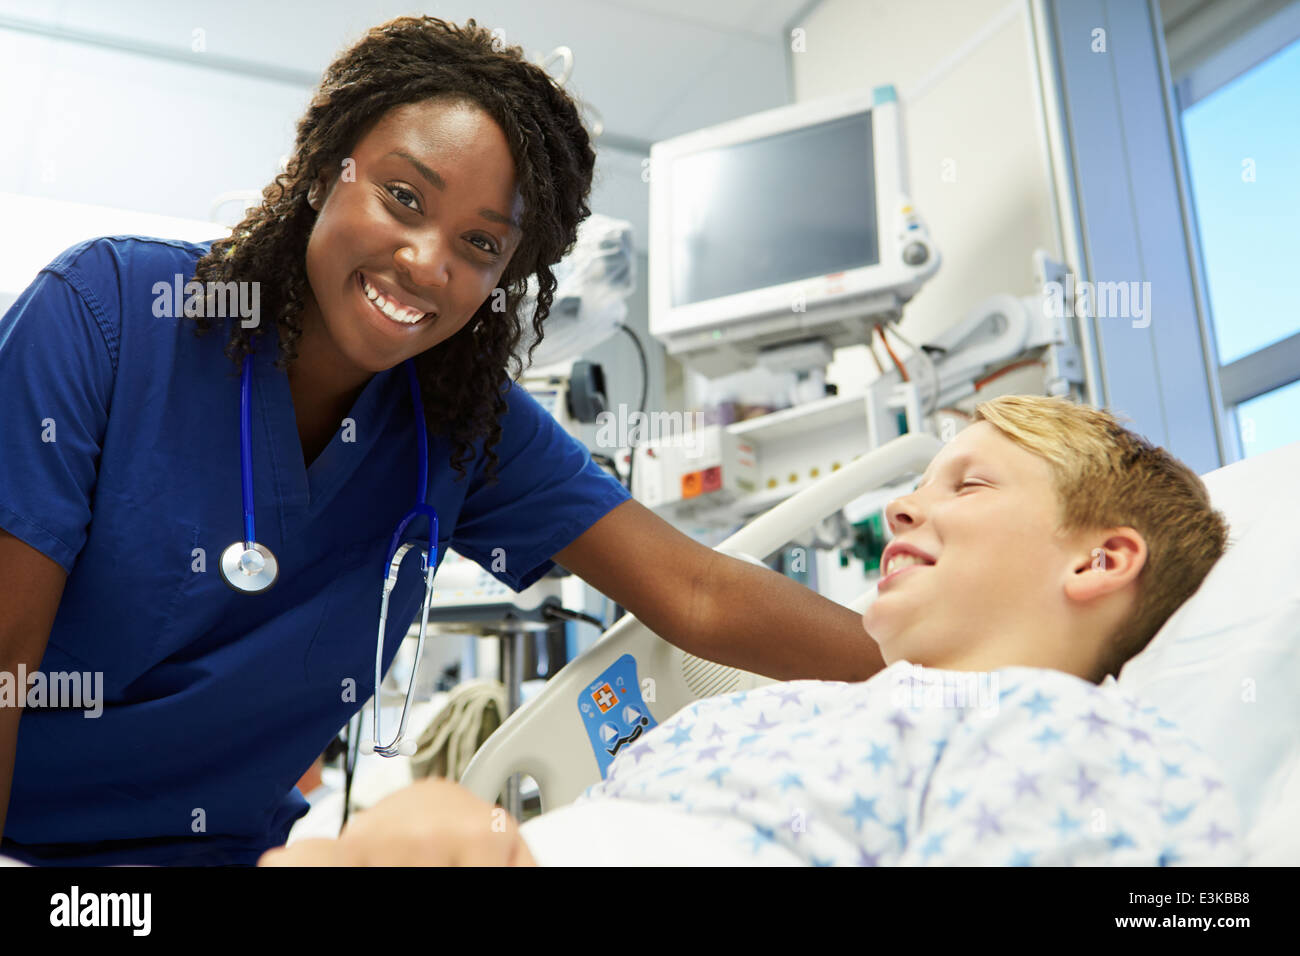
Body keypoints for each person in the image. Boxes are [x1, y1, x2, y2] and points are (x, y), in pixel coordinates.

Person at [0, 17, 874, 867]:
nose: (427, 261)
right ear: (319, 171)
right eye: (403, 196)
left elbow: (699, 592)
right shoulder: (108, 316)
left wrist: (968, 679)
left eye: (480, 243)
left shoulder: (459, 423)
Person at [261, 395, 1243, 867]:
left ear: (1097, 560)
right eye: (918, 479)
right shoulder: (752, 719)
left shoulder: (1076, 740)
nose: (900, 507)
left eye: (969, 483)